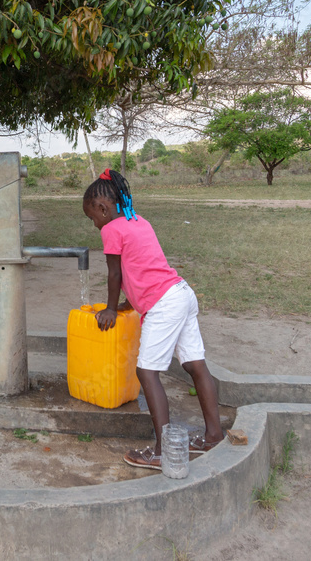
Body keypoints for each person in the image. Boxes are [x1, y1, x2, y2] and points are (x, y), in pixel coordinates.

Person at [82, 168, 224, 468]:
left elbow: (116, 273)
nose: (94, 224)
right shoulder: (137, 221)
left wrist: (109, 308)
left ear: (103, 208)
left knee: (147, 372)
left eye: (92, 217)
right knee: (196, 365)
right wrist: (126, 303)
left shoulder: (111, 229)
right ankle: (213, 435)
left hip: (164, 305)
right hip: (181, 293)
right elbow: (143, 266)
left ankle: (161, 451)